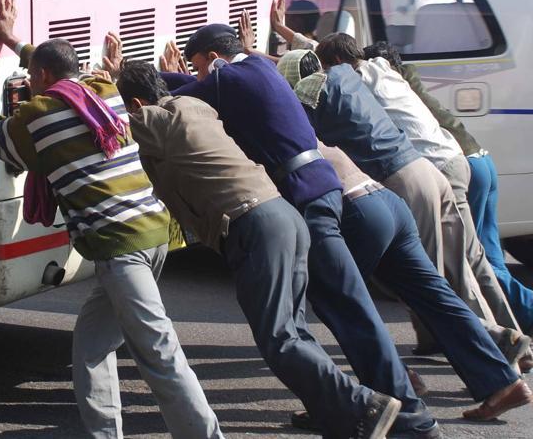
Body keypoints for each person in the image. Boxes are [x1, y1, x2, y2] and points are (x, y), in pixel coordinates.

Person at [0, 0, 221, 438]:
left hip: (121, 245)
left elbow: (2, 141)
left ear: (43, 78)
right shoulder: (104, 92)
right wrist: (16, 43)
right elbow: (62, 69)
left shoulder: (37, 115)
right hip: (153, 232)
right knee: (91, 347)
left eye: (31, 76)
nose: (28, 82)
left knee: (158, 355)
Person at [170, 24, 438, 438]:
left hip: (303, 195)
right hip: (321, 188)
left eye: (198, 65)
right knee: (326, 309)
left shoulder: (226, 77)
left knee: (348, 308)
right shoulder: (259, 66)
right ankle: (338, 407)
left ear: (213, 58)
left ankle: (411, 416)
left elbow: (178, 95)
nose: (199, 74)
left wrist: (140, 75)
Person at [116, 60, 402, 439]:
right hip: (284, 215)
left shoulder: (153, 121)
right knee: (294, 331)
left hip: (254, 226)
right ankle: (337, 416)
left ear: (136, 104)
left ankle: (364, 406)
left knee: (279, 340)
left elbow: (104, 124)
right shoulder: (196, 107)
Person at [277, 50, 532, 423]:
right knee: (437, 287)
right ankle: (499, 379)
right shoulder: (346, 76)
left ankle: (388, 391)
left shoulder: (307, 102)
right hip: (422, 178)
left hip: (390, 187)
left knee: (350, 301)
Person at [315, 33, 527, 356]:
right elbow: (334, 51)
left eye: (329, 67)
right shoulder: (382, 66)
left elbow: (325, 66)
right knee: (471, 261)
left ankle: (496, 347)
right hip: (455, 161)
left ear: (340, 64)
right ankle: (492, 342)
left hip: (432, 169)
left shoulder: (354, 81)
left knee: (440, 272)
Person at [364, 41, 533, 335]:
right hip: (479, 160)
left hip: (454, 168)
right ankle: (508, 326)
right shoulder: (404, 78)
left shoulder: (383, 84)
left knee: (470, 260)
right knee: (487, 259)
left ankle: (506, 333)